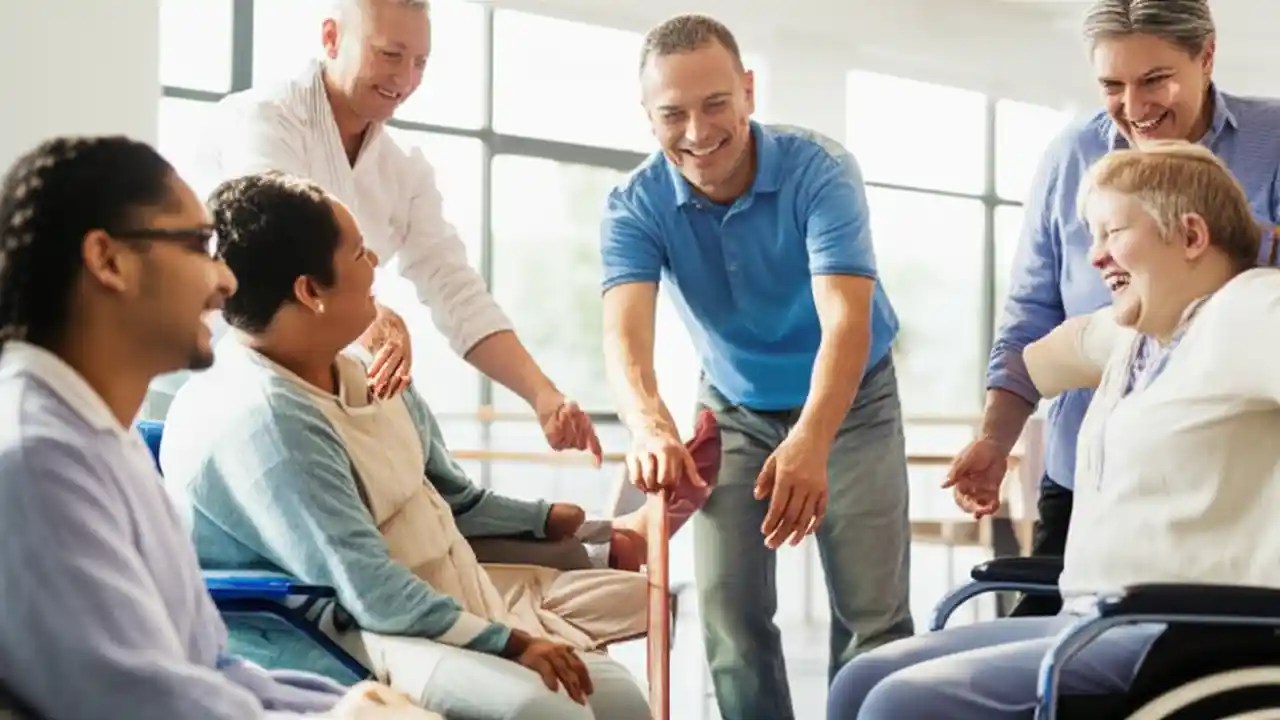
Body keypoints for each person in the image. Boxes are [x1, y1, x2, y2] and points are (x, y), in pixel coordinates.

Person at [159, 171, 692, 720]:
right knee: (547, 712)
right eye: (361, 253)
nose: (374, 266)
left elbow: (453, 500)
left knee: (622, 700)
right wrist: (512, 643)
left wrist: (552, 519)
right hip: (343, 632)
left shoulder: (372, 375)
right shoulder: (265, 419)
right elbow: (370, 592)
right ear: (309, 290)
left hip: (429, 599)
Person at [828, 139, 1280, 718]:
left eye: (1113, 233)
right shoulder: (1137, 333)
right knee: (862, 677)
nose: (1095, 257)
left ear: (1192, 237)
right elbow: (1030, 356)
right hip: (1089, 619)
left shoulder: (1248, 310)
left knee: (898, 704)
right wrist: (994, 440)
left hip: (1179, 633)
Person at [0, 136, 440, 719]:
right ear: (109, 261)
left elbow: (209, 668)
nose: (226, 282)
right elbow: (132, 705)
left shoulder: (106, 440)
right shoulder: (35, 462)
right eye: (197, 246)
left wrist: (343, 705)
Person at [599, 13, 913, 719]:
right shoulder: (633, 205)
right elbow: (625, 340)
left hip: (852, 400)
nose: (697, 131)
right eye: (673, 113)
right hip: (733, 407)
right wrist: (649, 426)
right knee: (729, 615)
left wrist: (812, 438)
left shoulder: (821, 171)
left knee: (874, 619)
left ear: (747, 91)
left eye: (715, 104)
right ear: (649, 117)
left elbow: (846, 321)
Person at [946, 0, 1280, 616]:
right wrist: (996, 439)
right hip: (1091, 476)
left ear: (1205, 57)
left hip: (1220, 492)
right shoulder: (1071, 157)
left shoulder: (1274, 141)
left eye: (1155, 80)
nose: (1134, 107)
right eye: (1112, 85)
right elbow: (1032, 313)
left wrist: (1242, 242)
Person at [177, 0, 599, 459]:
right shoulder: (260, 120)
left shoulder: (404, 172)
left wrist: (542, 395)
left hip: (317, 395)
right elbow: (282, 243)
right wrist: (370, 314)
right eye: (390, 55)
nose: (405, 79)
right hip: (225, 384)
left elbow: (455, 289)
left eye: (421, 62)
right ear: (332, 38)